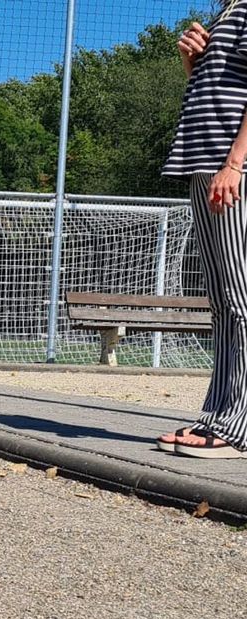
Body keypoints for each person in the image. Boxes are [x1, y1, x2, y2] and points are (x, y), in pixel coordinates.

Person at [160, 2, 247, 458]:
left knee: (240, 296)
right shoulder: (229, 9)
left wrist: (235, 163)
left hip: (231, 168)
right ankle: (219, 414)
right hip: (205, 163)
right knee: (221, 300)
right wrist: (193, 63)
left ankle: (240, 426)